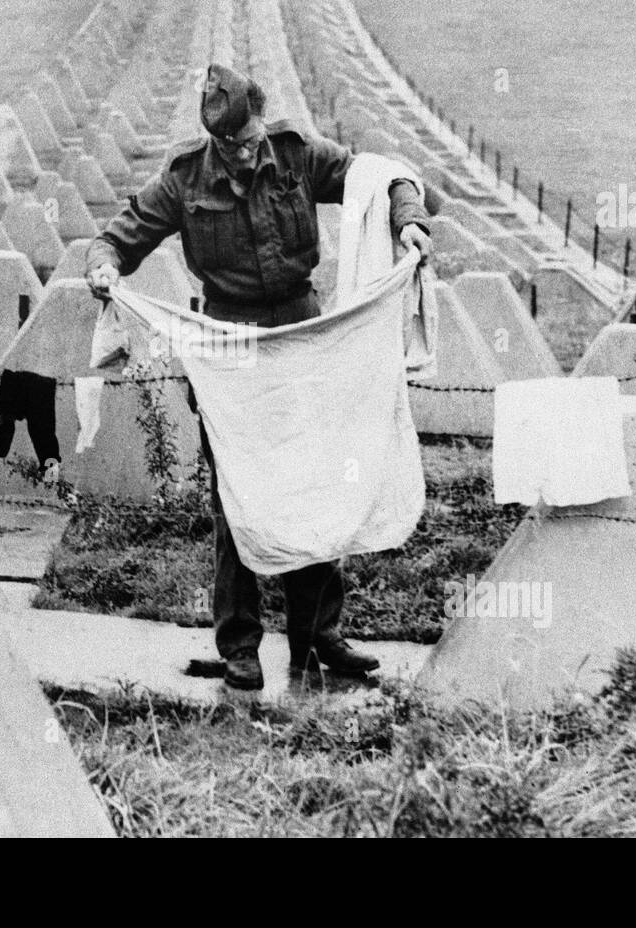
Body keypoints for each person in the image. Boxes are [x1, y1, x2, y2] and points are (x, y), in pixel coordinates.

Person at [86, 64, 431, 690]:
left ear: (260, 120)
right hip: (230, 349)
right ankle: (240, 644)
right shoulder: (185, 179)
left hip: (301, 337)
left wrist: (407, 218)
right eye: (234, 144)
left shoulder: (296, 155)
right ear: (214, 140)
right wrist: (104, 267)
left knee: (317, 483)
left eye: (251, 137)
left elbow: (383, 175)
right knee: (238, 496)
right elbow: (120, 236)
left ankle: (318, 633)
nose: (247, 152)